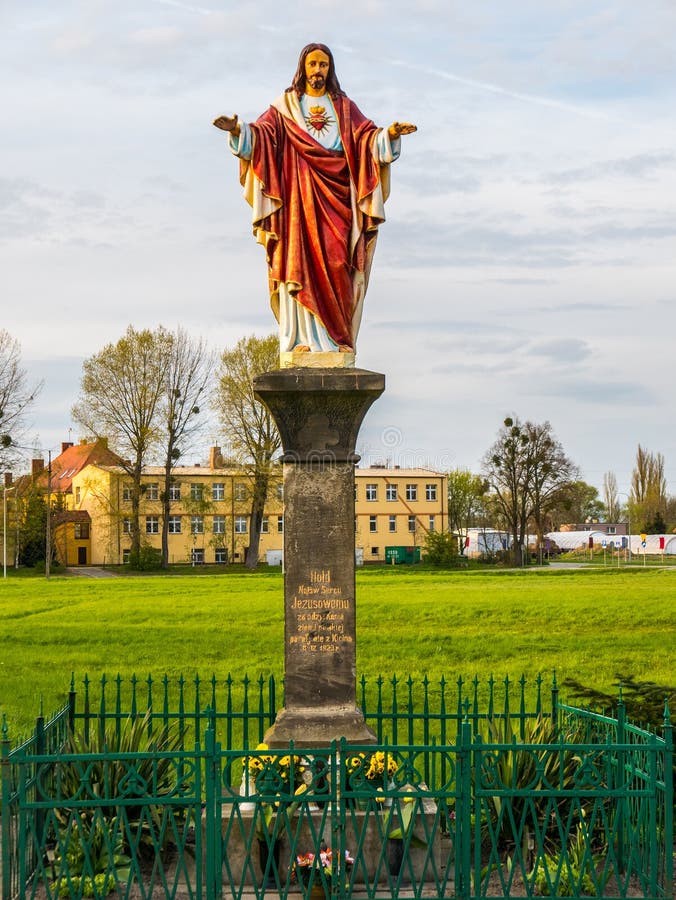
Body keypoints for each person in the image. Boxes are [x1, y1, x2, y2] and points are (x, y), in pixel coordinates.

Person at [213, 43, 416, 358]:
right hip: (298, 202)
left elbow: (366, 139)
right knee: (299, 264)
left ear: (330, 70)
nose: (318, 70)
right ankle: (299, 339)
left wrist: (388, 135)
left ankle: (337, 339)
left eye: (323, 65)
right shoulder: (286, 107)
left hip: (337, 202)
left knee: (338, 263)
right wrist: (238, 130)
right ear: (302, 69)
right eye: (313, 65)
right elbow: (262, 136)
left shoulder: (345, 108)